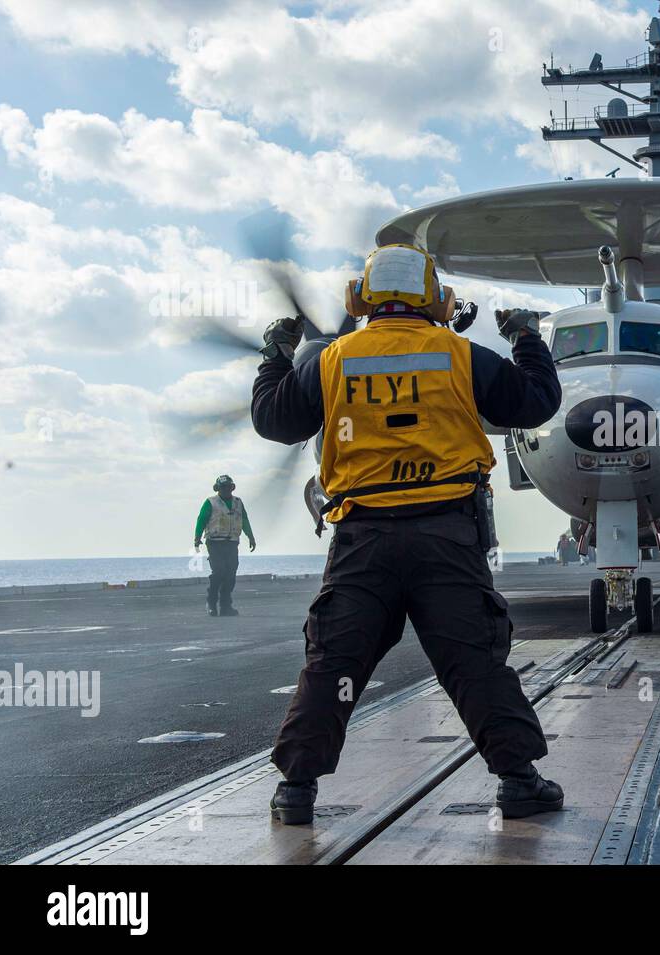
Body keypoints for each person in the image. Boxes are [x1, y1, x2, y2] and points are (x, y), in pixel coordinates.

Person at [251, 242, 563, 824]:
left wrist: (275, 353)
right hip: (446, 537)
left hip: (362, 541)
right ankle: (519, 780)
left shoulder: (333, 360)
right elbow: (537, 402)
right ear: (436, 298)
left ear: (361, 299)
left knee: (333, 664)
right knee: (474, 661)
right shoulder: (460, 354)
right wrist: (525, 338)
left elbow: (273, 419)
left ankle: (296, 789)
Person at [193, 474, 256, 617]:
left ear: (232, 487)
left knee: (231, 574)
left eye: (228, 487)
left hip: (232, 542)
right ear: (218, 488)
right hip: (215, 542)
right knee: (219, 572)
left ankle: (226, 606)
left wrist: (250, 536)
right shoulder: (210, 502)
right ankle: (211, 602)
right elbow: (201, 520)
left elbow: (244, 520)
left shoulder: (238, 502)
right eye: (223, 487)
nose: (226, 490)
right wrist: (197, 537)